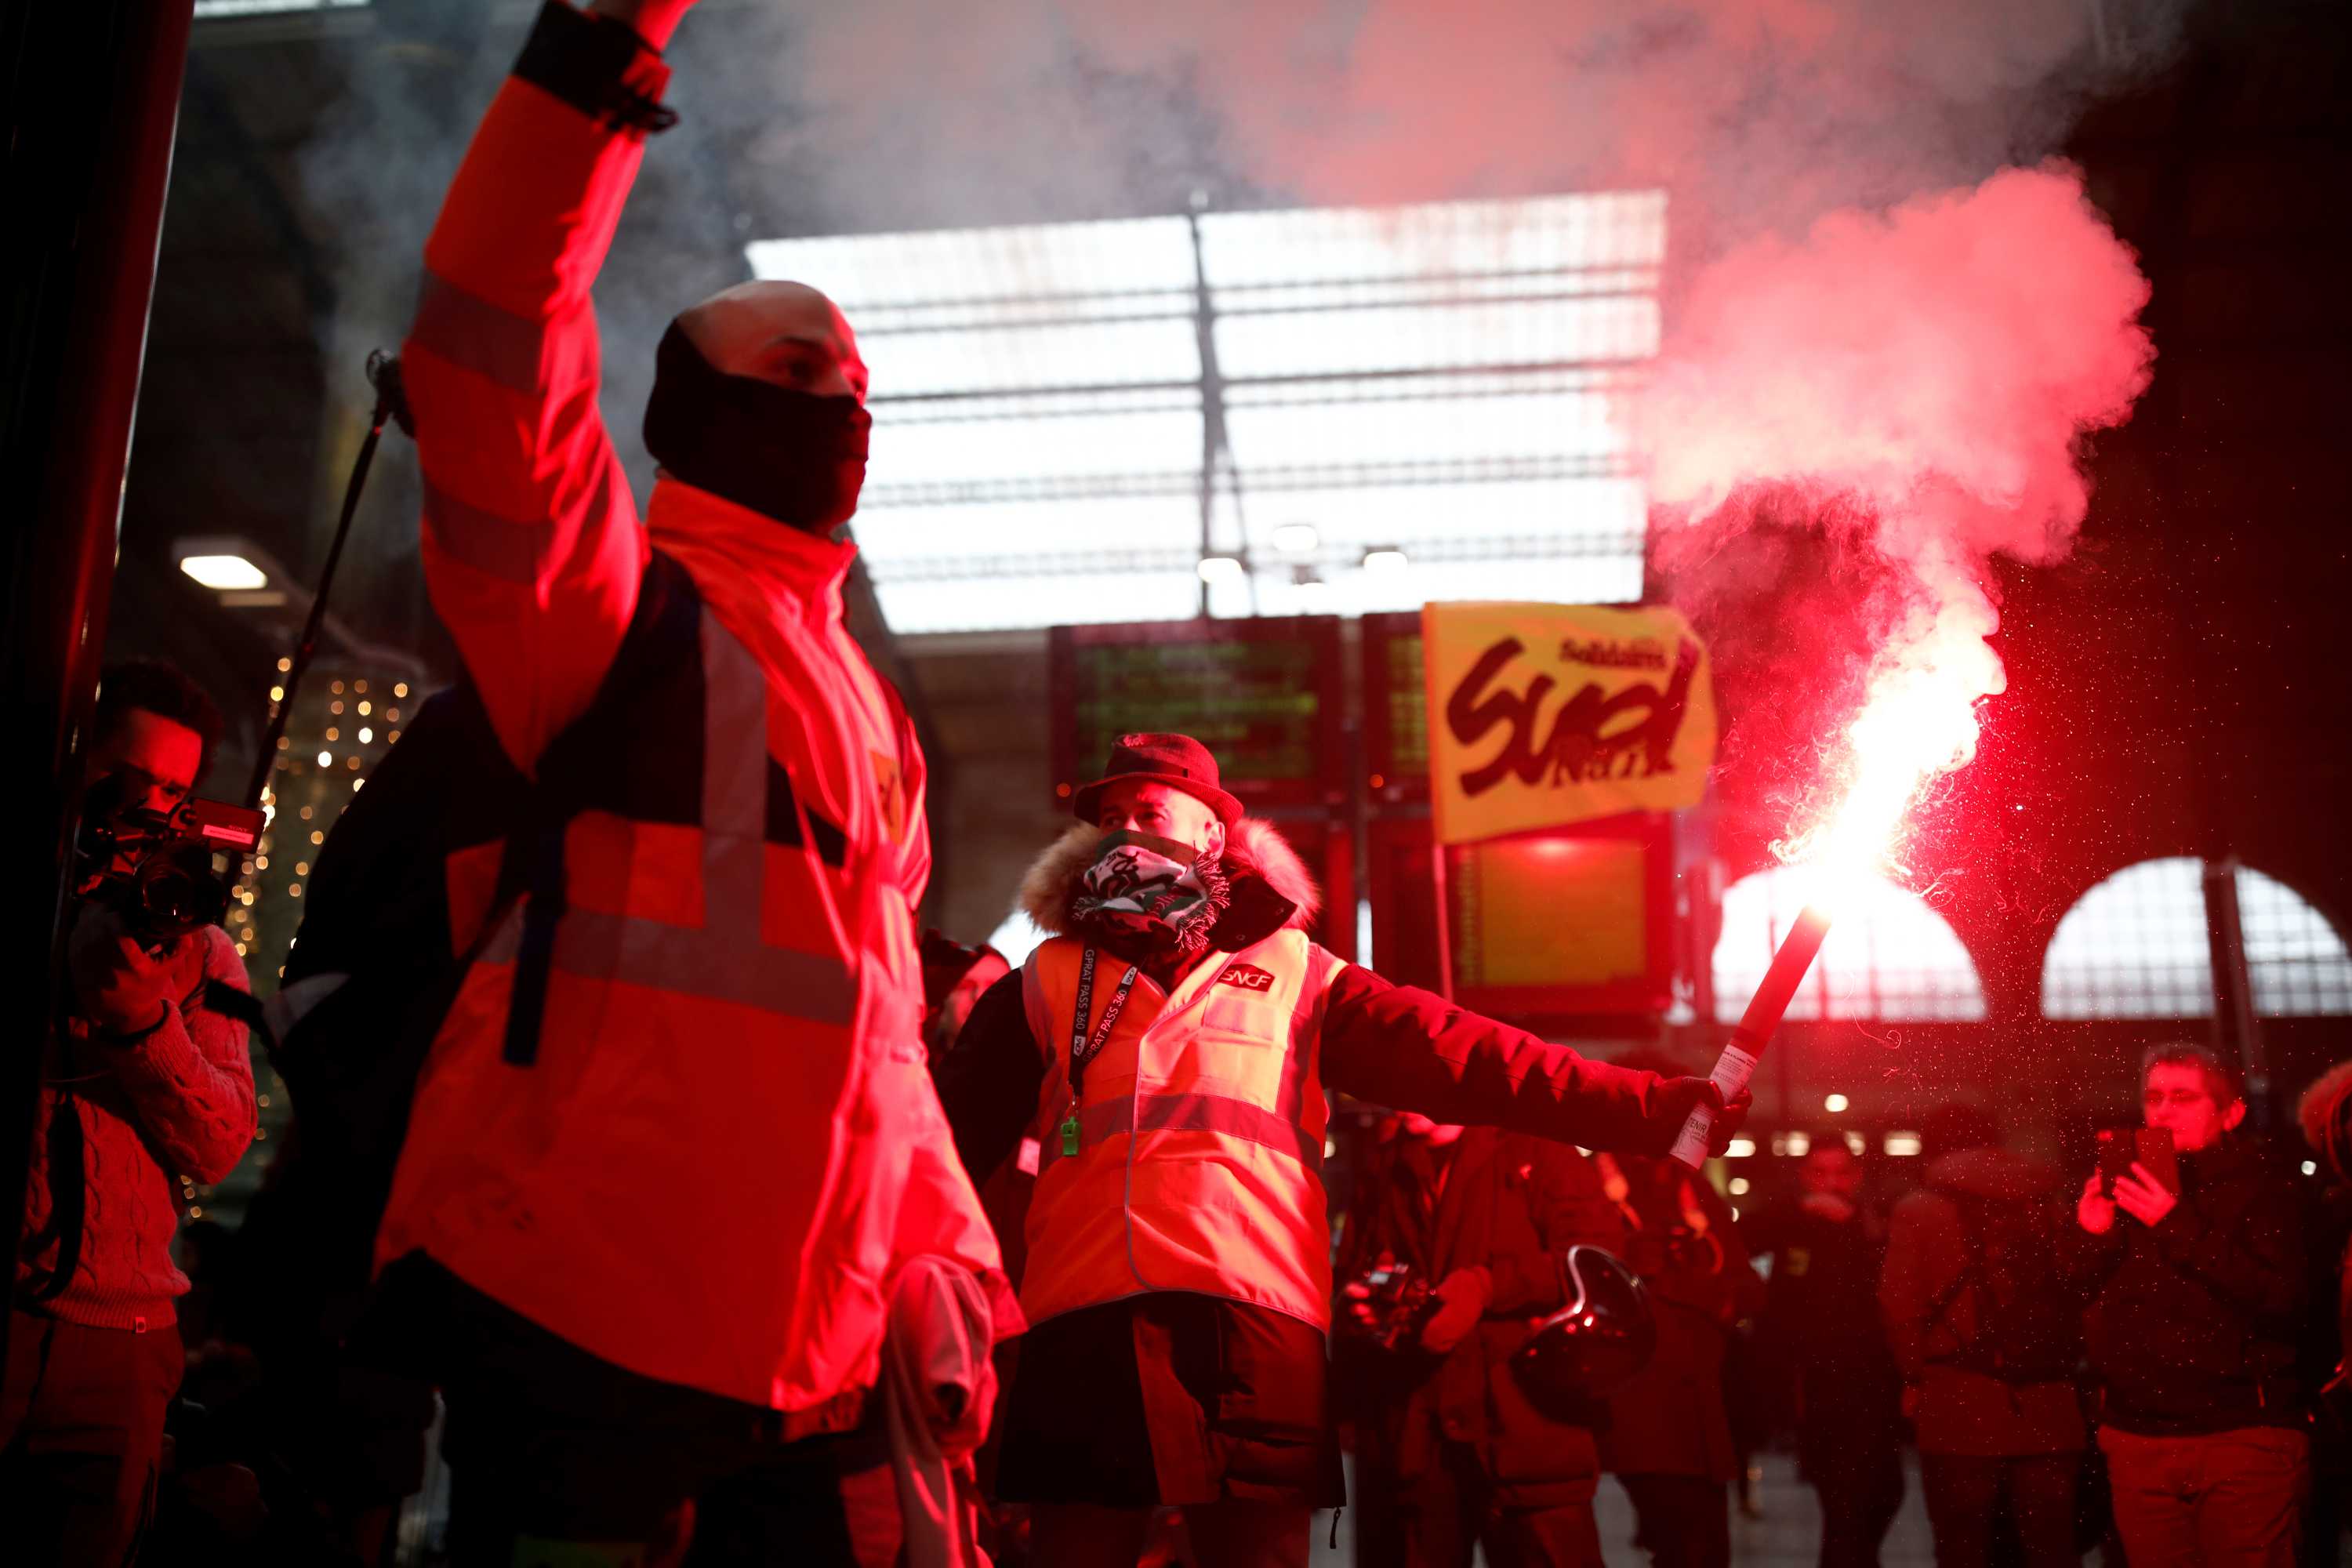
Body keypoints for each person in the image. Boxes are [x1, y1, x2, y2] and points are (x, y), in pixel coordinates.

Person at [361, 0, 1009, 1559]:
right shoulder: (598, 611)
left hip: (815, 1359)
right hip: (579, 1324)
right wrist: (599, 47)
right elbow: (488, 338)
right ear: (692, 411)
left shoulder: (863, 705)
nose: (836, 404)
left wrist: (940, 1264)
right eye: (796, 369)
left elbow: (884, 1045)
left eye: (853, 386)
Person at [935, 732, 1747, 1568]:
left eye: (1149, 810)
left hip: (1253, 1324)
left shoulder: (1299, 972)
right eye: (1111, 817)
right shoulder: (1046, 978)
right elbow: (938, 1135)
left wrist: (1650, 1105)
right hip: (1086, 1325)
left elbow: (1468, 1057)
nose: (1128, 831)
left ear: (1212, 834)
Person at [4, 659, 257, 1565]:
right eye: (134, 779)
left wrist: (144, 1023)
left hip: (125, 1346)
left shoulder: (200, 949)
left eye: (179, 793)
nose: (152, 811)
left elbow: (222, 1141)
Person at [1337, 1115, 1628, 1568]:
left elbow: (1597, 1256)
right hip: (1418, 1443)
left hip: (1526, 1436)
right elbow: (1358, 1266)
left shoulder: (1536, 1145)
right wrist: (1362, 1306)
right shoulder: (1384, 1161)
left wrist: (1488, 1286)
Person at [2072, 1042, 2311, 1568]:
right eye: (2154, 1097)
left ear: (2232, 1112)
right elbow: (2076, 1301)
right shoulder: (2128, 1185)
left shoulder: (2268, 1189)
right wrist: (2092, 1233)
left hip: (2240, 1437)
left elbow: (2283, 1300)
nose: (2163, 1111)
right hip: (2141, 1438)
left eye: (2183, 1097)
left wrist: (2175, 1222)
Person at [1879, 1104, 2087, 1568]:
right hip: (2050, 1406)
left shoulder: (1918, 1211)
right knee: (2051, 1549)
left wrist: (1913, 1378)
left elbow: (1898, 1306)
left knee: (1963, 1549)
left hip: (1957, 1408)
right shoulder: (2051, 1203)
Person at [1590, 1123, 1764, 1568]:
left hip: (1700, 1403)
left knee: (1701, 1544)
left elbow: (1744, 1280)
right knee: (1687, 1544)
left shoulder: (1692, 1186)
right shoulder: (1597, 1182)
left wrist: (1723, 1293)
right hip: (1642, 1405)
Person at [1744, 1134, 1907, 1568]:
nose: (1830, 1183)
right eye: (1820, 1172)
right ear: (1804, 1175)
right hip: (1815, 1388)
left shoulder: (1874, 1223)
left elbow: (1891, 1284)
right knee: (1844, 1505)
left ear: (1856, 1177)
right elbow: (1744, 1239)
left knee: (1882, 1493)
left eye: (1840, 1173)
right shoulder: (1791, 1221)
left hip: (1873, 1385)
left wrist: (1851, 1225)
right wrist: (1797, 1214)